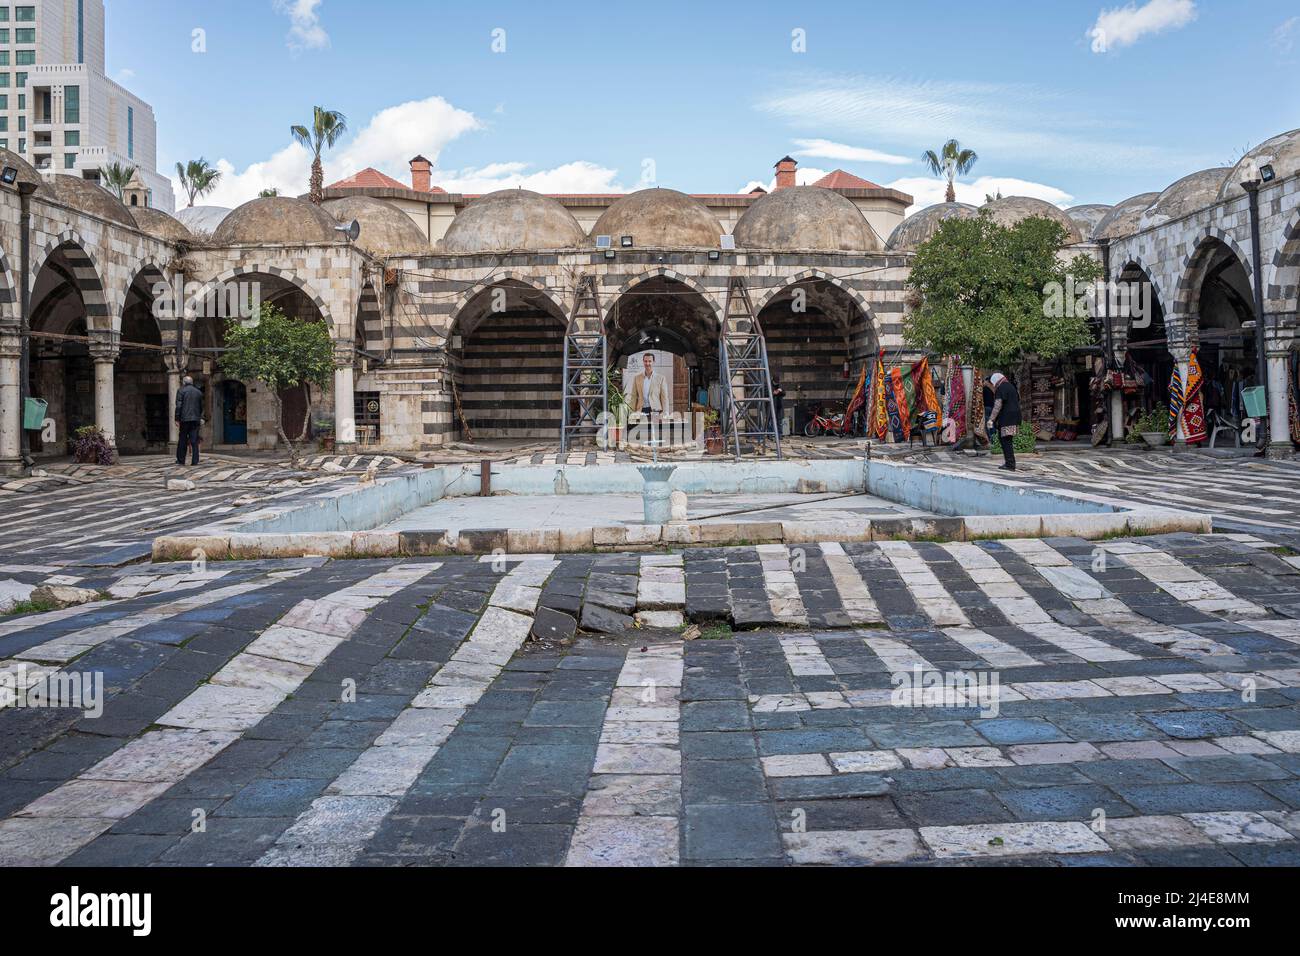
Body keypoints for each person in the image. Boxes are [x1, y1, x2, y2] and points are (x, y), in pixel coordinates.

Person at [985, 371, 1022, 471]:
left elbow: (997, 405)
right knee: (1007, 440)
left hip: (1007, 418)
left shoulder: (1001, 388)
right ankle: (1010, 463)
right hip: (1015, 417)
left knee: (1005, 441)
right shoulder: (1010, 386)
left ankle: (1010, 464)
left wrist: (991, 419)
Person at [629, 352, 670, 418]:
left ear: (653, 362)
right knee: (642, 428)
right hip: (641, 410)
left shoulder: (661, 378)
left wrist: (665, 412)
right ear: (643, 362)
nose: (647, 363)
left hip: (656, 410)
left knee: (655, 428)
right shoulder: (637, 378)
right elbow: (634, 396)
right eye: (645, 361)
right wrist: (631, 412)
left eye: (649, 361)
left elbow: (664, 397)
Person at [175, 375, 204, 466]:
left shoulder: (181, 391)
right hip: (195, 419)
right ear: (192, 382)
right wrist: (199, 417)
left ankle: (181, 460)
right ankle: (195, 461)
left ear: (184, 382)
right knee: (194, 440)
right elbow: (200, 407)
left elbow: (179, 406)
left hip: (184, 419)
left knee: (183, 439)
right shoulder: (198, 392)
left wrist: (177, 418)